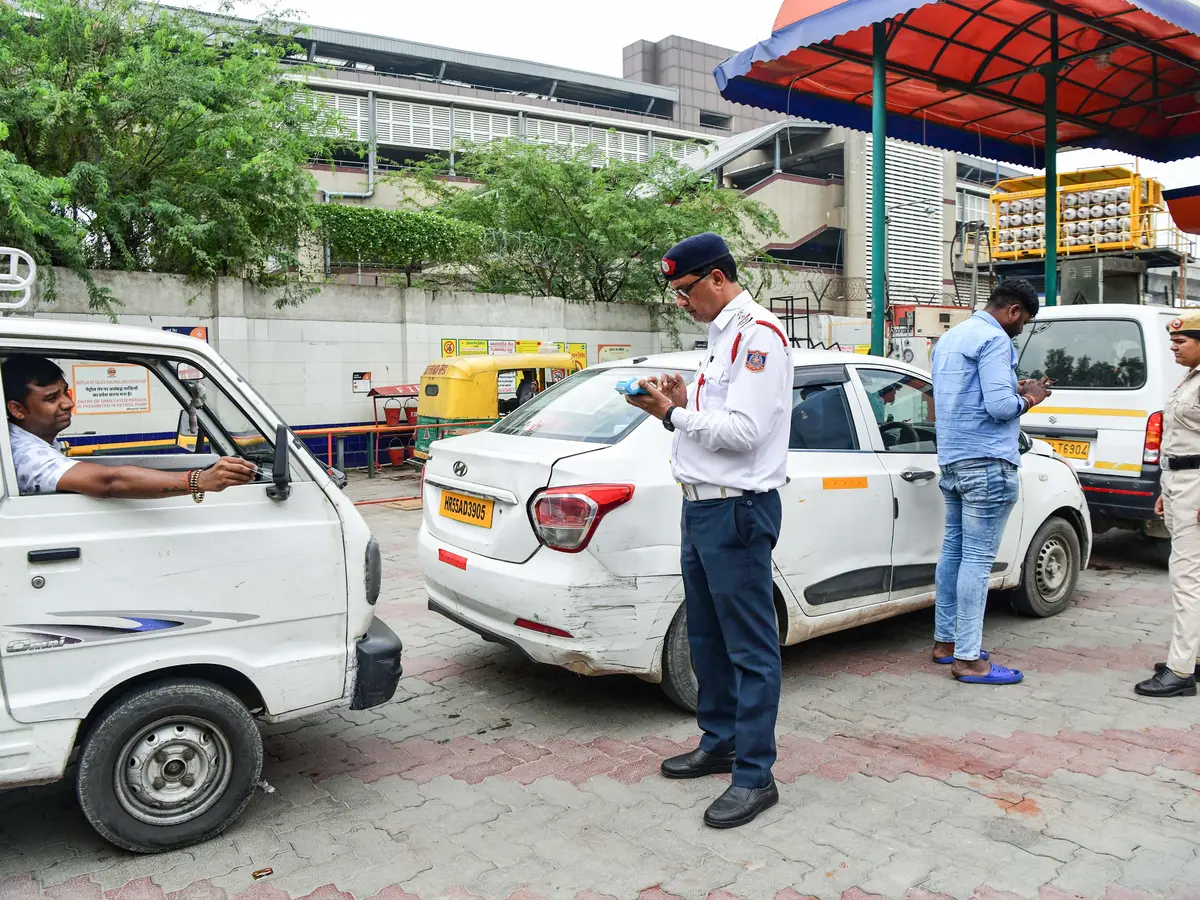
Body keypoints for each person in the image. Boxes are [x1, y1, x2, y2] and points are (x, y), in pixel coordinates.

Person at [623, 233, 792, 829]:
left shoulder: (758, 336)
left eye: (685, 289)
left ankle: (756, 775)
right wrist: (680, 400)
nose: (681, 301)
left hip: (737, 510)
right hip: (700, 508)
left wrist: (673, 413)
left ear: (717, 278)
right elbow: (713, 418)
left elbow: (745, 431)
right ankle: (719, 741)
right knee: (707, 638)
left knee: (750, 648)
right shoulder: (720, 336)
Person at [930, 279, 1051, 685]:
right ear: (1013, 311)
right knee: (978, 562)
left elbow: (963, 393)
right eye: (1024, 321)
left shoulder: (951, 338)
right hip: (987, 464)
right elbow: (1000, 408)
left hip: (952, 461)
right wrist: (1031, 398)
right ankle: (968, 659)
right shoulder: (996, 340)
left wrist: (1014, 387)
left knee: (953, 553)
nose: (1021, 330)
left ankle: (946, 643)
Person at [3, 354, 256, 499]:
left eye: (65, 393)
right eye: (51, 398)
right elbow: (108, 481)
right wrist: (200, 480)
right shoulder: (26, 454)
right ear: (17, 409)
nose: (68, 403)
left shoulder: (28, 442)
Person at [1136, 313, 1200, 698]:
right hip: (1180, 481)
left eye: (1182, 341)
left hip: (1196, 487)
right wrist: (1166, 488)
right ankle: (1193, 657)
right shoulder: (1191, 379)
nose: (1174, 347)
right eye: (1173, 341)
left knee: (1186, 578)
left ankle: (1180, 670)